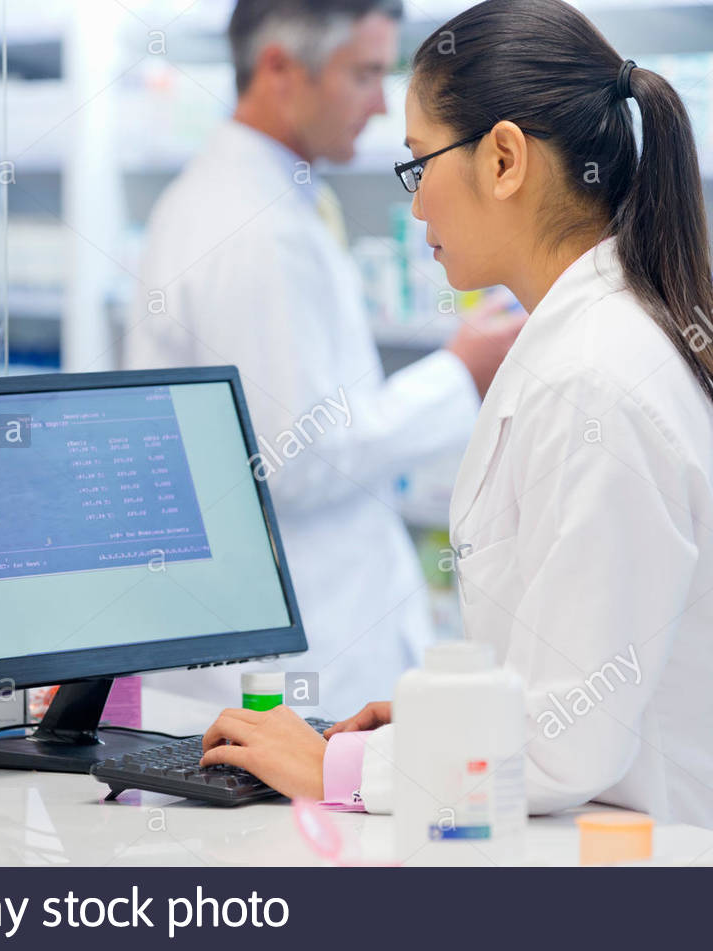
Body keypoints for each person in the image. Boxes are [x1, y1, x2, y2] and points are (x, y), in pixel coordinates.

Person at [197, 0, 713, 850]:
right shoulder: (638, 333)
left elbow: (566, 742)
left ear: (506, 158)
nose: (416, 211)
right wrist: (449, 722)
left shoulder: (595, 380)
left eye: (420, 166)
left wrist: (336, 771)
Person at [123, 0, 524, 720]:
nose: (380, 103)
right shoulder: (254, 231)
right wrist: (459, 374)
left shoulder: (259, 198)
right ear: (280, 69)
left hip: (297, 633)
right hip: (297, 657)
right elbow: (295, 455)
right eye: (365, 74)